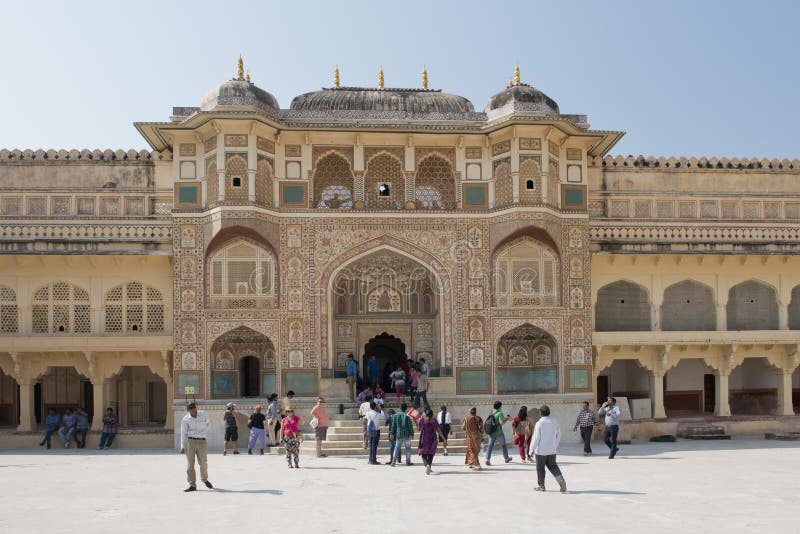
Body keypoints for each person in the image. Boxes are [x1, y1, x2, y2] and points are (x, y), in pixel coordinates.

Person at [529, 405, 566, 492]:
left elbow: (536, 438)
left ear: (540, 413)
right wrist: (555, 446)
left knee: (540, 469)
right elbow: (559, 435)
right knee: (553, 466)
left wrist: (531, 450)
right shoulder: (555, 421)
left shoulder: (540, 423)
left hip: (541, 451)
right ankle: (561, 481)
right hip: (552, 450)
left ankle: (541, 486)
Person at [180, 402, 213, 492]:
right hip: (190, 441)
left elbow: (209, 423)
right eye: (191, 408)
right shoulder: (186, 419)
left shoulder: (203, 414)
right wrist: (182, 445)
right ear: (188, 410)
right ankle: (192, 484)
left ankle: (204, 479)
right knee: (190, 464)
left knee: (203, 463)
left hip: (202, 441)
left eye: (194, 407)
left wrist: (204, 433)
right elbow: (183, 432)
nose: (193, 409)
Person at [418, 408, 448, 475]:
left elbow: (419, 429)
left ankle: (427, 465)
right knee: (431, 454)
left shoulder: (422, 420)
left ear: (425, 414)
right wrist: (444, 439)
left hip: (424, 439)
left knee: (423, 454)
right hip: (433, 439)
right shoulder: (434, 421)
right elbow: (439, 431)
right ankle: (429, 466)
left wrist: (415, 421)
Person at [485, 401, 512, 466]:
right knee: (503, 445)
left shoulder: (491, 412)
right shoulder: (500, 413)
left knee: (490, 446)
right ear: (500, 406)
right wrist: (507, 419)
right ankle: (506, 458)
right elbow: (501, 423)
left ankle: (487, 459)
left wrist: (505, 418)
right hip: (499, 432)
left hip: (491, 432)